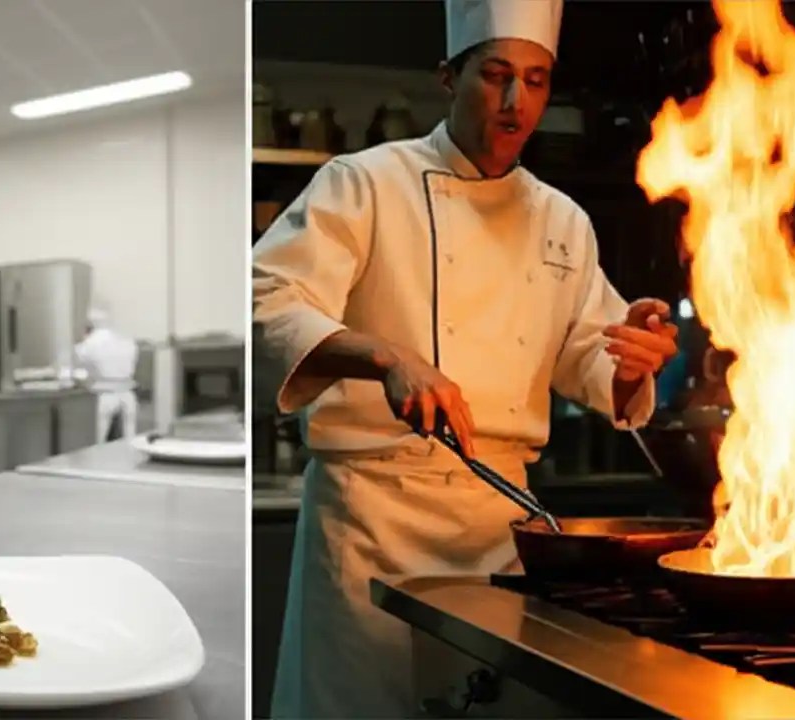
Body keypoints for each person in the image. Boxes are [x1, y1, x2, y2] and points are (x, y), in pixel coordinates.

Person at [251, 0, 680, 716]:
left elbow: (593, 360)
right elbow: (265, 301)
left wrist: (632, 356)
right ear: (449, 77)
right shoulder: (363, 182)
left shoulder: (561, 220)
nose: (516, 103)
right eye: (497, 76)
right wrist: (388, 357)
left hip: (497, 529)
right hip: (370, 523)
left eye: (537, 81)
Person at [74, 308, 140, 442]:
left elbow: (78, 364)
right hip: (127, 394)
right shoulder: (127, 339)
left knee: (99, 441)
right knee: (130, 439)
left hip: (104, 395)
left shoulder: (91, 342)